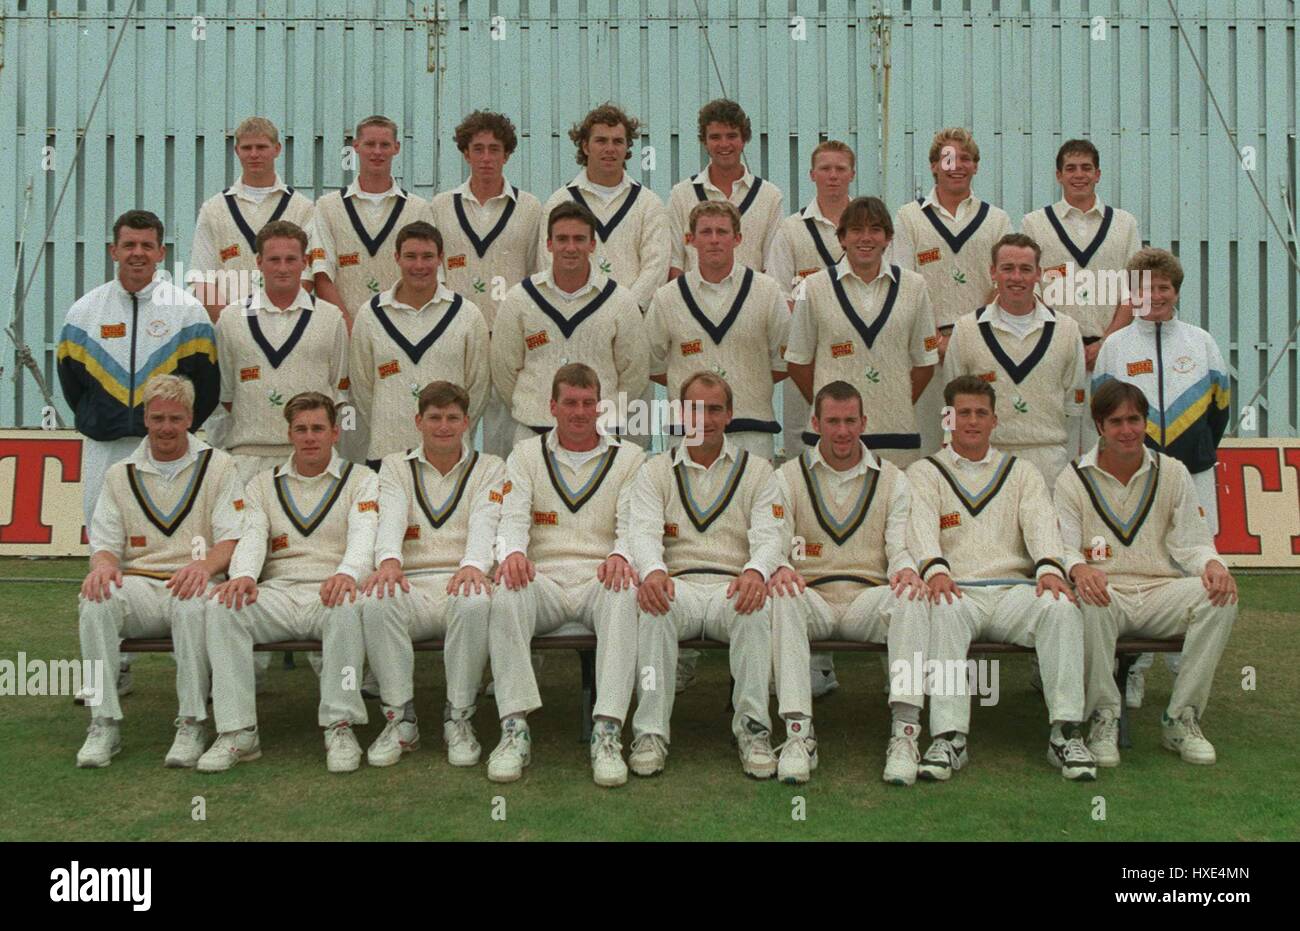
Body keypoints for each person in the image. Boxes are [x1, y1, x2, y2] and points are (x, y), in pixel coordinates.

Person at [58, 209, 220, 700]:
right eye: (129, 245)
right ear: (114, 250)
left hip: (171, 451)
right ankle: (113, 667)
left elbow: (206, 386)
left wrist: (168, 429)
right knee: (106, 548)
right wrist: (107, 419)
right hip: (107, 449)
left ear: (161, 252)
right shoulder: (84, 311)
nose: (137, 254)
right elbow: (73, 384)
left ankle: (194, 663)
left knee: (179, 548)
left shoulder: (186, 310)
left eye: (147, 245)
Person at [906, 375, 1094, 782]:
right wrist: (936, 570)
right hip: (958, 590)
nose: (972, 421)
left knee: (1061, 608)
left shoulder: (1021, 472)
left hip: (1015, 591)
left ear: (994, 421)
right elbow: (919, 528)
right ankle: (948, 737)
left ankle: (1065, 732)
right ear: (947, 418)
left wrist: (1048, 568)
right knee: (943, 609)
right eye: (963, 413)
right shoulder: (925, 472)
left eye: (981, 413)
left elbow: (1042, 524)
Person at [1056, 380, 1237, 766]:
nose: (1127, 430)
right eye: (1117, 421)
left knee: (1220, 597)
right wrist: (1080, 567)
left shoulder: (1171, 472)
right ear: (1100, 426)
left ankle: (1181, 719)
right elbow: (1064, 545)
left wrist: (1214, 566)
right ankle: (1105, 715)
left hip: (1160, 591)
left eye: (1134, 420)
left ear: (1146, 422)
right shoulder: (1073, 477)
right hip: (1109, 593)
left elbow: (1191, 541)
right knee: (1088, 598)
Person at [199, 392, 378, 773]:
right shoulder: (263, 484)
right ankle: (238, 731)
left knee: (349, 607)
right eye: (301, 429)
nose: (309, 437)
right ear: (289, 434)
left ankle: (340, 725)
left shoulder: (362, 480)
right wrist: (244, 576)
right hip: (278, 592)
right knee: (221, 605)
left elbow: (365, 535)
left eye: (318, 428)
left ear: (335, 433)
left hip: (332, 590)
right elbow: (251, 534)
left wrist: (347, 573)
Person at [485, 364, 646, 787]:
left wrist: (620, 554)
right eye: (570, 403)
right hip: (546, 578)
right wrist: (514, 553)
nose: (579, 412)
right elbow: (511, 517)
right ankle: (514, 728)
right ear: (552, 406)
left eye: (588, 403)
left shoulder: (629, 457)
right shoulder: (524, 454)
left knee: (625, 589)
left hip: (599, 577)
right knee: (505, 587)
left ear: (600, 407)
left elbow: (632, 523)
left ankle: (608, 730)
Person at [74, 374, 243, 769]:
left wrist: (203, 568)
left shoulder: (219, 466)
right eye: (158, 418)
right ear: (145, 419)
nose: (166, 428)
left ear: (190, 419)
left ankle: (191, 722)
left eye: (176, 418)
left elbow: (231, 539)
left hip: (197, 581)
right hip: (139, 586)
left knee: (189, 602)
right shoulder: (120, 473)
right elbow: (104, 544)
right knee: (95, 600)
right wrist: (101, 568)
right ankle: (103, 722)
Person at [766, 380, 930, 785]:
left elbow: (898, 545)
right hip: (812, 596)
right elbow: (774, 538)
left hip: (866, 599)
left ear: (864, 423)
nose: (842, 431)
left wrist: (907, 570)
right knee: (782, 596)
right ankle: (798, 734)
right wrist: (781, 565)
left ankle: (906, 732)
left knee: (910, 597)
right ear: (816, 422)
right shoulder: (787, 476)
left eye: (850, 421)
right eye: (833, 421)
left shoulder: (893, 478)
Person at [628, 372, 784, 780]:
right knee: (653, 607)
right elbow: (641, 531)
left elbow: (771, 535)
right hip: (677, 583)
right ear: (680, 413)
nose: (705, 418)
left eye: (715, 409)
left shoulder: (759, 470)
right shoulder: (655, 470)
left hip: (731, 585)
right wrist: (654, 572)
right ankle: (649, 733)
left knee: (754, 609)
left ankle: (753, 731)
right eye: (695, 408)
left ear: (730, 415)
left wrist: (754, 572)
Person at [1091, 255, 1231, 705]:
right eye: (1145, 288)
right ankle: (1135, 668)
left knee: (1193, 558)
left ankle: (1184, 665)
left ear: (1176, 290)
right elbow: (1103, 407)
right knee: (1142, 564)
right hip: (1135, 474)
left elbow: (1220, 408)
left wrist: (1197, 451)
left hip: (1193, 472)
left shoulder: (1201, 341)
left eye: (1164, 288)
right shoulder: (1115, 346)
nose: (1155, 297)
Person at [360, 381, 505, 767]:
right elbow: (389, 515)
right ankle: (399, 719)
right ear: (418, 421)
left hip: (463, 577)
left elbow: (486, 522)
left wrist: (474, 564)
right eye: (435, 418)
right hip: (413, 581)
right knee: (376, 598)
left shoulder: (490, 467)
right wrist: (389, 560)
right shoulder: (394, 465)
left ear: (466, 422)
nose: (444, 426)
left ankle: (458, 717)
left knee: (475, 602)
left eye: (452, 418)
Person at [890, 128, 1011, 457]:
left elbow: (1004, 282)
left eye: (965, 159)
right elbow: (904, 284)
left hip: (983, 342)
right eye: (948, 159)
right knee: (931, 442)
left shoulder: (996, 220)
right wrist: (933, 340)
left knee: (980, 440)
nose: (956, 166)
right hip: (927, 348)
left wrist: (967, 335)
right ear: (933, 166)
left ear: (976, 166)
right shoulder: (909, 217)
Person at [431, 111, 543, 458]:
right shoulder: (440, 206)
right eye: (477, 149)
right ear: (465, 153)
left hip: (508, 335)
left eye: (494, 149)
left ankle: (502, 507)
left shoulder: (529, 207)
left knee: (505, 435)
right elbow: (436, 273)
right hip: (454, 334)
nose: (486, 158)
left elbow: (537, 274)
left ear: (507, 154)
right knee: (452, 427)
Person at [490, 202, 648, 444]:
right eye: (562, 239)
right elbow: (504, 370)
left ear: (592, 244)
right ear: (549, 244)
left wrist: (604, 412)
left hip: (600, 434)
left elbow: (634, 372)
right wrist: (534, 406)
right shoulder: (520, 298)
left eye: (579, 239)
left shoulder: (619, 300)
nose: (570, 248)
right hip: (533, 434)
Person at [645, 200, 789, 458]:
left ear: (737, 238)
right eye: (706, 232)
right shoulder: (667, 298)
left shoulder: (767, 291)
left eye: (722, 232)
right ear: (690, 239)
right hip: (690, 431)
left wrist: (744, 380)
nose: (714, 240)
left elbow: (783, 362)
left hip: (752, 429)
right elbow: (652, 364)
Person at [943, 233, 1087, 488]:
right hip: (983, 461)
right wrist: (953, 461)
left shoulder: (1067, 330)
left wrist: (1072, 472)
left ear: (1039, 274)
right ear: (993, 272)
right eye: (1007, 268)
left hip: (1049, 461)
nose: (1017, 277)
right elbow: (950, 408)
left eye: (1025, 269)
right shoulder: (966, 329)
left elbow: (1074, 410)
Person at [214, 220, 349, 484]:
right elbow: (226, 394)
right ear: (259, 262)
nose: (283, 268)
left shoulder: (330, 318)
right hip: (248, 457)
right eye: (274, 259)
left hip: (311, 458)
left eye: (291, 259)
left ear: (305, 262)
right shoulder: (231, 319)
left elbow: (338, 387)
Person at [348, 221, 490, 466]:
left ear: (440, 259)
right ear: (397, 258)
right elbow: (362, 387)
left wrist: (448, 432)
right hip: (388, 452)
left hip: (450, 456)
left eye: (428, 256)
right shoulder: (370, 314)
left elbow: (478, 386)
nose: (419, 265)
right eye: (410, 256)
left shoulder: (467, 314)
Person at [766, 139, 855, 460]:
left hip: (857, 352)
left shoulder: (868, 229)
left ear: (852, 174)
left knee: (852, 435)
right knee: (800, 440)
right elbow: (778, 293)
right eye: (825, 169)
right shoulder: (791, 230)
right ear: (812, 174)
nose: (833, 176)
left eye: (840, 169)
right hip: (805, 356)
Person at [1019, 138, 1141, 374]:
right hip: (1052, 350)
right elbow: (1030, 290)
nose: (1079, 175)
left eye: (1086, 168)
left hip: (1113, 351)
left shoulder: (1125, 224)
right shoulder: (1034, 223)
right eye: (1071, 168)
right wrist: (1063, 341)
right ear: (1059, 175)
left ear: (1098, 174)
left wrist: (1105, 343)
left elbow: (1136, 292)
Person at [189, 115, 316, 321]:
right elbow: (202, 279)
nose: (254, 154)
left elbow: (307, 274)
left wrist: (279, 322)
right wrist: (232, 326)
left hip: (287, 328)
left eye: (261, 147)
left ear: (277, 149)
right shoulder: (213, 209)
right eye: (247, 148)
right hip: (229, 330)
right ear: (236, 151)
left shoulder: (302, 208)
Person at [668, 99, 783, 277]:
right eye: (715, 137)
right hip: (695, 301)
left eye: (731, 136)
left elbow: (773, 265)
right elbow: (675, 262)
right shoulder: (682, 194)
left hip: (752, 302)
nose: (724, 144)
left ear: (744, 139)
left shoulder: (769, 196)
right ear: (704, 142)